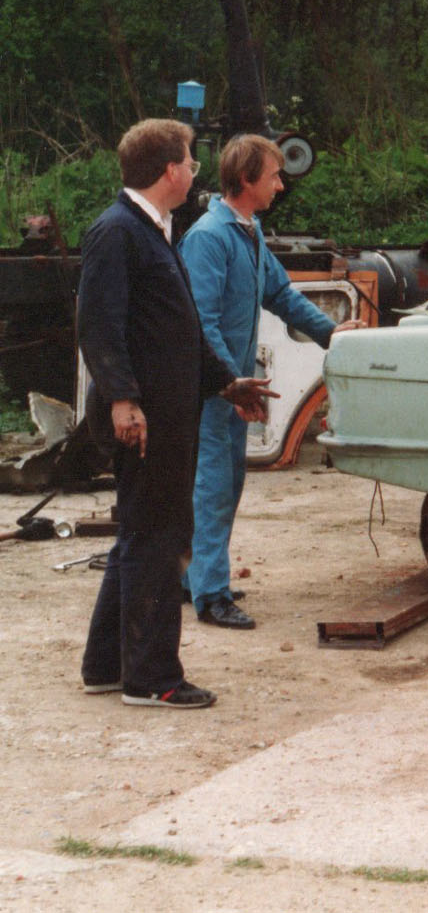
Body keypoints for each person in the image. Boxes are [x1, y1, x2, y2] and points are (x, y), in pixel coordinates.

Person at [78, 119, 276, 708]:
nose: (195, 171)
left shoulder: (157, 229)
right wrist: (122, 400)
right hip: (143, 417)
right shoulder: (116, 232)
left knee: (140, 535)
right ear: (169, 171)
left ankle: (107, 666)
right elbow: (99, 323)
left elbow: (179, 330)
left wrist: (226, 383)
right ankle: (153, 678)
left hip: (167, 412)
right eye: (190, 162)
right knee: (159, 539)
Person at [179, 134, 360, 630]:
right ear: (245, 180)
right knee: (213, 485)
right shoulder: (210, 238)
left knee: (227, 481)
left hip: (232, 384)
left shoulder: (249, 231)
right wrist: (228, 382)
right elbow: (202, 322)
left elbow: (281, 294)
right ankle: (211, 596)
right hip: (212, 387)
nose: (281, 185)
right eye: (274, 176)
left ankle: (195, 577)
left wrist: (332, 332)